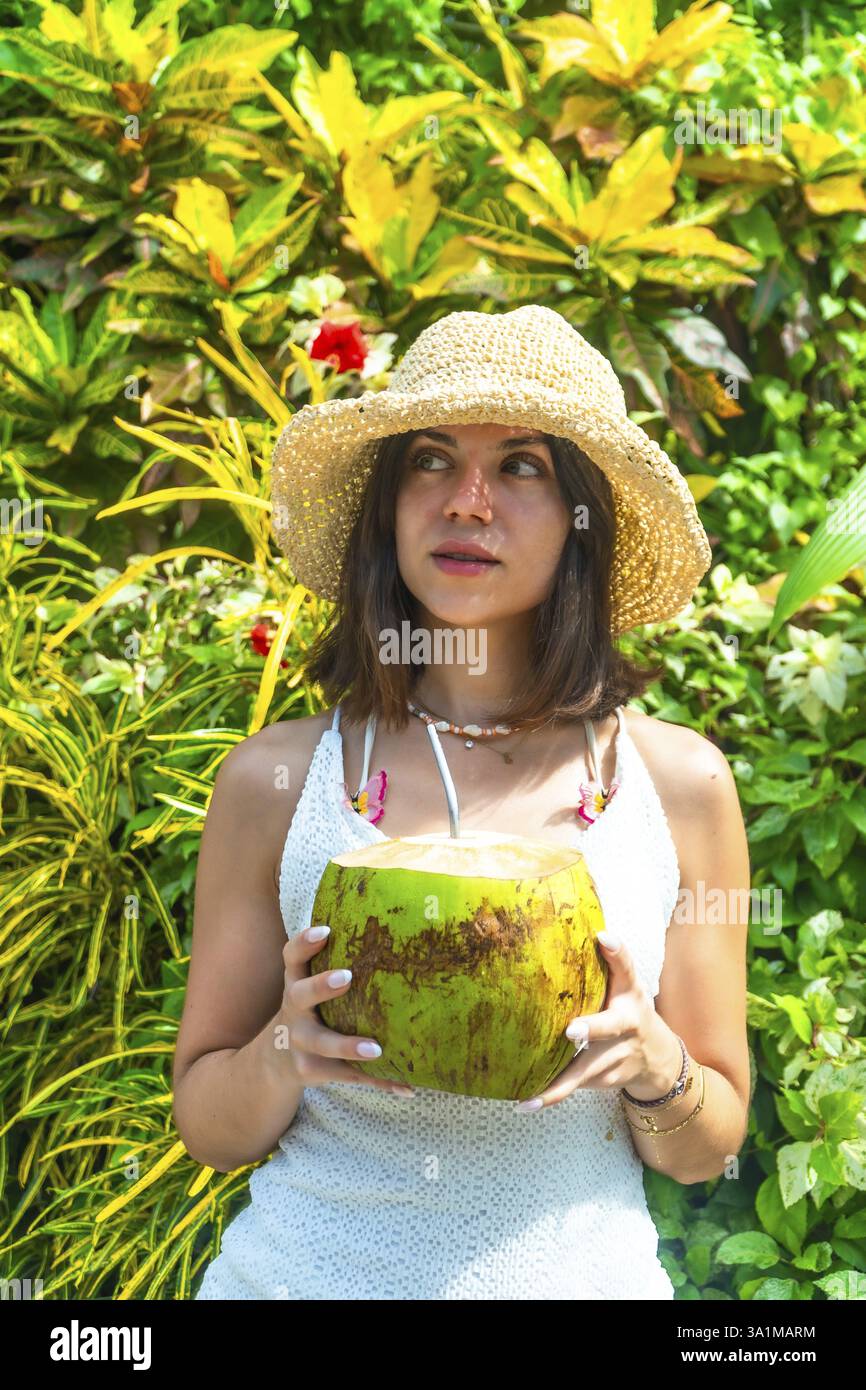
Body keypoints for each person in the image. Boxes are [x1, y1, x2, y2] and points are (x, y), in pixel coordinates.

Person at [176, 304, 752, 1300]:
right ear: (388, 503)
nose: (467, 502)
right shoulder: (275, 784)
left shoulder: (678, 786)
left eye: (521, 466)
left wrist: (653, 1062)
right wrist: (286, 1051)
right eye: (430, 460)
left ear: (584, 521)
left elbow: (704, 1148)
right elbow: (206, 1124)